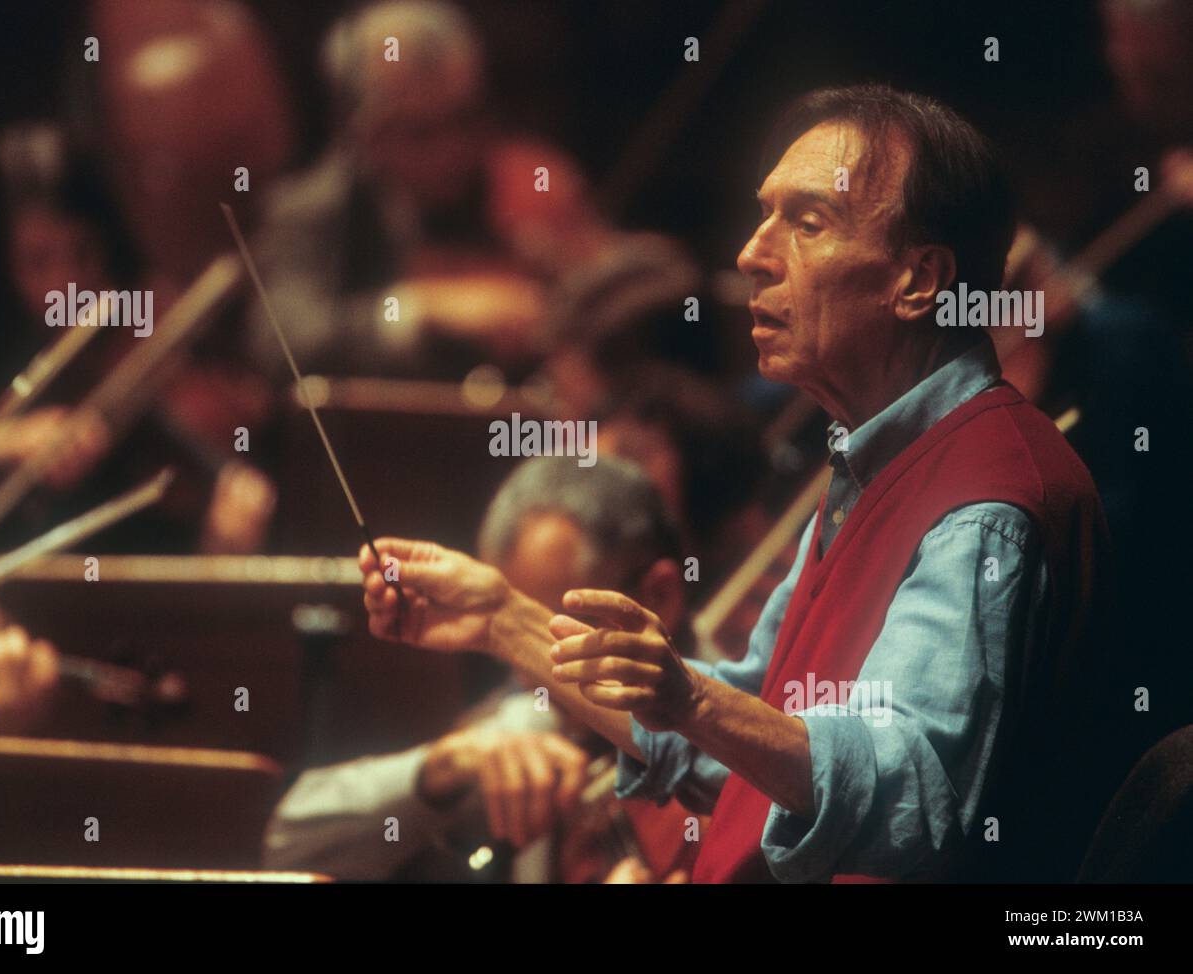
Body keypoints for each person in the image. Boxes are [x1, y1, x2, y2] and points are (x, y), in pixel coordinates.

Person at [359, 84, 1124, 883]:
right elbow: (750, 738)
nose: (753, 254)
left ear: (919, 279)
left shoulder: (982, 507)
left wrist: (691, 700)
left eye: (806, 222)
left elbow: (915, 797)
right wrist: (501, 619)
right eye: (765, 216)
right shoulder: (879, 463)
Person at [264, 455, 686, 881]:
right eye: (507, 636)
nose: (527, 675)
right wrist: (436, 772)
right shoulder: (529, 724)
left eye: (542, 629)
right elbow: (277, 847)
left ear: (659, 595)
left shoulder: (733, 737)